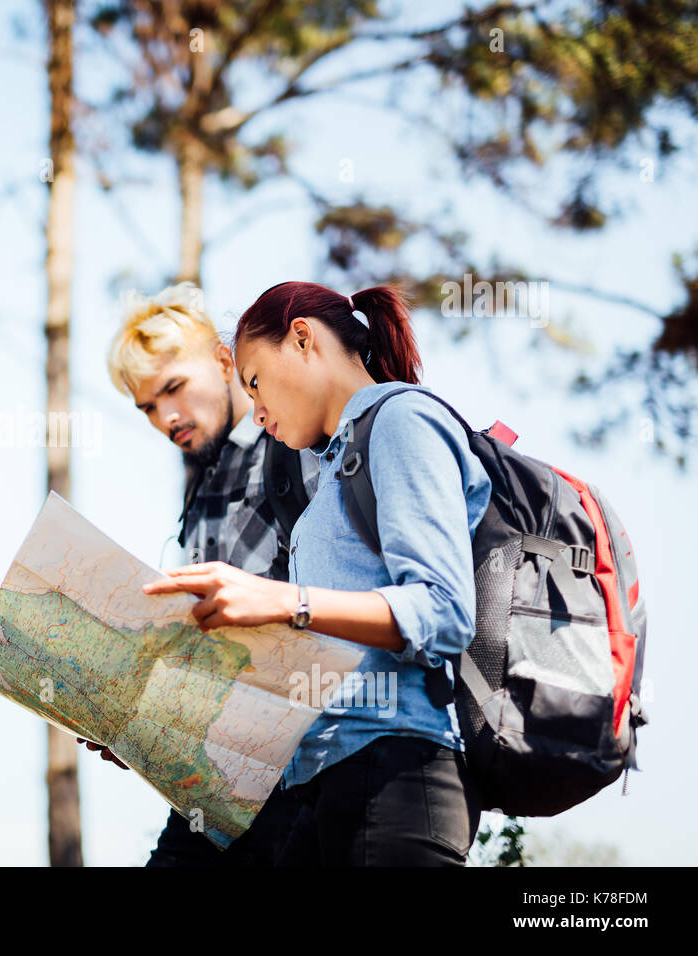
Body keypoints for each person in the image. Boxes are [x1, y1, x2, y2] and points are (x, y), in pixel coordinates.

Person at [143, 281, 491, 866]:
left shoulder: (403, 418)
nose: (254, 409)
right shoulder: (331, 472)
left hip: (395, 771)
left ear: (302, 338)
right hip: (326, 782)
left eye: (254, 381)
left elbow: (445, 609)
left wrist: (284, 600)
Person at [93, 282, 319, 866]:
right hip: (215, 781)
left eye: (173, 388)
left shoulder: (296, 444)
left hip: (304, 779)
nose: (166, 417)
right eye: (146, 406)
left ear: (224, 362)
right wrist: (136, 719)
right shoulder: (204, 479)